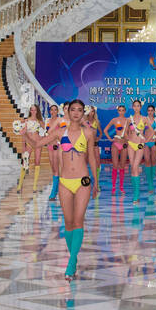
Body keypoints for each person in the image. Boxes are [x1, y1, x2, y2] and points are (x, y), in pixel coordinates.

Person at [34, 100, 98, 279]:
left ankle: (71, 263)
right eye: (73, 110)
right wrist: (24, 133)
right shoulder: (60, 132)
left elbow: (92, 159)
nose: (76, 113)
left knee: (78, 220)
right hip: (65, 182)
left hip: (83, 180)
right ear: (68, 112)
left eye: (79, 110)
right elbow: (38, 144)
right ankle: (74, 258)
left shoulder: (88, 132)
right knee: (68, 222)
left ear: (83, 112)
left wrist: (96, 182)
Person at [17, 105, 45, 193]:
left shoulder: (40, 121)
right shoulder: (26, 121)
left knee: (37, 162)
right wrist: (23, 146)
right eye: (31, 110)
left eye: (35, 110)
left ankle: (34, 186)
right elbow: (23, 134)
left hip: (37, 143)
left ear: (37, 111)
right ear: (30, 111)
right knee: (25, 162)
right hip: (29, 143)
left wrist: (42, 138)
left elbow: (47, 131)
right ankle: (20, 185)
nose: (33, 111)